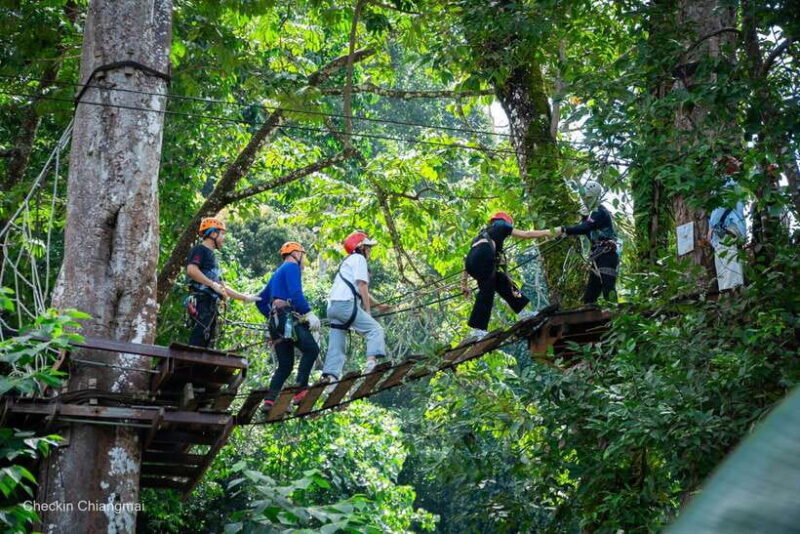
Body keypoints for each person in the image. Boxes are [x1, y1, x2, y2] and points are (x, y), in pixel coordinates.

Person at [460, 212, 550, 342]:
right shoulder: (502, 225)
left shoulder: (482, 236)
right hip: (483, 258)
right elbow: (527, 234)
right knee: (487, 291)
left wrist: (464, 284)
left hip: (472, 263)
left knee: (502, 280)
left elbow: (467, 261)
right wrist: (549, 232)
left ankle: (522, 312)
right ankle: (478, 330)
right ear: (506, 221)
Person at [256, 242, 322, 411]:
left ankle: (269, 401)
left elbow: (261, 301)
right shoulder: (292, 267)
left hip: (276, 321)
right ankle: (300, 390)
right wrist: (308, 313)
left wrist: (272, 315)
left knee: (285, 365)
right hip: (287, 319)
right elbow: (295, 294)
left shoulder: (277, 272)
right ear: (296, 254)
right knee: (312, 349)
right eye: (303, 255)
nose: (304, 260)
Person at [321, 231, 389, 382]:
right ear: (360, 247)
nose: (370, 251)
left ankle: (331, 377)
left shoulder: (347, 262)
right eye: (368, 247)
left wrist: (379, 305)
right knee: (374, 329)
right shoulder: (359, 259)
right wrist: (369, 311)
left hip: (333, 308)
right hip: (346, 305)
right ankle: (371, 363)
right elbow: (362, 285)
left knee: (337, 343)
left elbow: (358, 289)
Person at [185, 217, 259, 347]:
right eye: (222, 234)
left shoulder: (213, 258)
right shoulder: (199, 250)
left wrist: (245, 298)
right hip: (201, 301)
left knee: (207, 342)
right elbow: (191, 270)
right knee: (199, 339)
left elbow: (223, 287)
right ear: (213, 233)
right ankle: (190, 364)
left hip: (210, 305)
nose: (223, 238)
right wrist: (212, 284)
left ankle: (200, 366)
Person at [551, 181, 618, 305]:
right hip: (597, 257)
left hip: (607, 255)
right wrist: (564, 234)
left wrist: (563, 229)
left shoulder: (600, 211)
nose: (585, 200)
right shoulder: (592, 214)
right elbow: (584, 229)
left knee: (609, 289)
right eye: (584, 198)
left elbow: (585, 228)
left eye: (588, 198)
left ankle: (619, 318)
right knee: (589, 298)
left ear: (595, 197)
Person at [707, 157, 746, 291]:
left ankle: (731, 303)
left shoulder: (726, 183)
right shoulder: (737, 184)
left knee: (728, 274)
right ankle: (733, 300)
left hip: (725, 231)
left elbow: (720, 207)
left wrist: (711, 227)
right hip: (732, 230)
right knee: (731, 269)